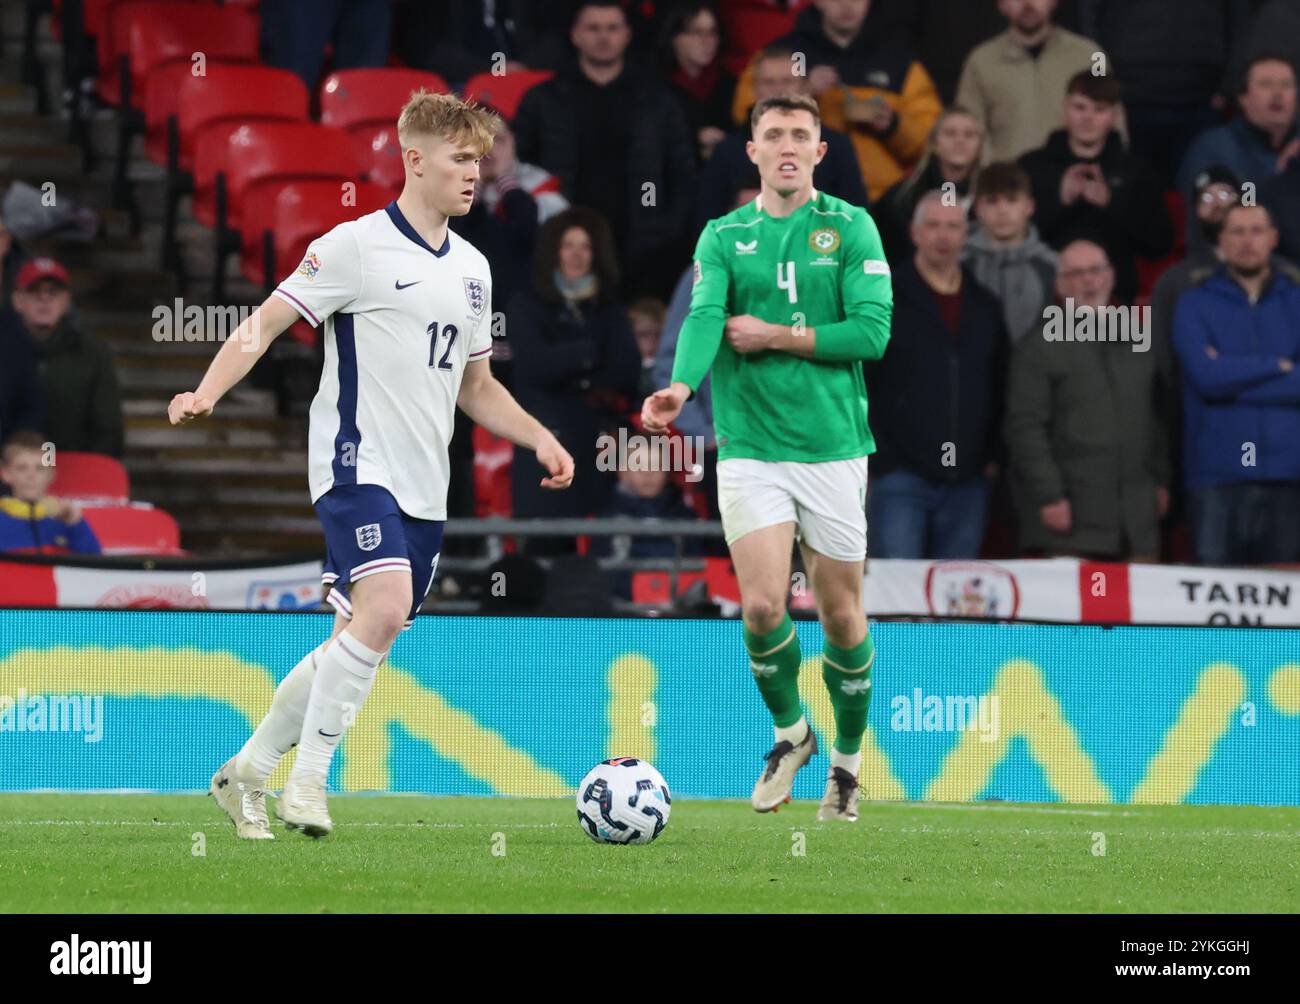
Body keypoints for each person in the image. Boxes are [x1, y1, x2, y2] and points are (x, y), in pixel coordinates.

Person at [169, 90, 576, 840]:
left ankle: (247, 772)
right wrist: (206, 389)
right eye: (460, 159)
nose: (474, 174)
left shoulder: (475, 269)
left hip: (426, 484)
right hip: (355, 462)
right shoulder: (353, 246)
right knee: (382, 610)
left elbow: (476, 388)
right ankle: (309, 786)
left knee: (361, 637)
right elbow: (265, 323)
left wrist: (539, 437)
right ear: (413, 160)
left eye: (480, 161)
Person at [642, 92, 893, 822]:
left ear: (820, 152)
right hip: (749, 446)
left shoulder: (851, 228)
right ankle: (791, 734)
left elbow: (872, 334)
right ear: (751, 152)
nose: (787, 146)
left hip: (833, 447)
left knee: (843, 618)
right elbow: (705, 316)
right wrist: (679, 386)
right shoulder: (723, 236)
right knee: (759, 605)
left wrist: (778, 336)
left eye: (801, 136)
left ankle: (845, 761)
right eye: (773, 135)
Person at [511, 1, 697, 298]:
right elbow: (517, 167)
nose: (603, 37)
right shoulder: (544, 99)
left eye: (612, 28)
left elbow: (683, 173)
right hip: (562, 243)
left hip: (642, 250)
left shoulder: (658, 100)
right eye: (593, 28)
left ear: (627, 34)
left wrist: (665, 230)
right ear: (575, 35)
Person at [1004, 240, 1171, 560]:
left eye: (1095, 271)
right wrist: (1049, 496)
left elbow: (1156, 419)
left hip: (1138, 522)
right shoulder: (1039, 347)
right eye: (1076, 274)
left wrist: (1161, 481)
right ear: (1060, 285)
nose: (1088, 281)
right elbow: (1025, 428)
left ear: (1110, 275)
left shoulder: (1138, 338)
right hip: (1073, 522)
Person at [867, 192, 1008, 559]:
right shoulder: (882, 299)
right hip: (898, 477)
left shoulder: (986, 306)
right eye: (932, 226)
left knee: (955, 608)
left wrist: (990, 457)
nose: (942, 237)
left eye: (952, 227)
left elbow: (1001, 386)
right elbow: (857, 381)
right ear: (914, 233)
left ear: (966, 234)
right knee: (896, 606)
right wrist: (880, 459)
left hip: (969, 481)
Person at [1172, 204, 1300, 565]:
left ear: (1273, 238)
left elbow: (1219, 378)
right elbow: (1207, 379)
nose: (1247, 241)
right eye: (1237, 232)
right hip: (1216, 478)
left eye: (1256, 231)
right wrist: (1279, 366)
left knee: (1284, 614)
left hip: (1288, 477)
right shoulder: (1193, 304)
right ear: (1222, 241)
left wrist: (1231, 373)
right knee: (1212, 611)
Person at [507, 207, 642, 538]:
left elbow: (626, 370)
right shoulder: (526, 303)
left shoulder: (609, 307)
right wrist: (587, 354)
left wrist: (566, 363)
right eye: (568, 245)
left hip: (596, 445)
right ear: (554, 251)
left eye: (585, 246)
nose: (577, 255)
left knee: (597, 544)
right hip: (542, 442)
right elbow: (532, 366)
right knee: (544, 542)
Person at [730, 0, 943, 201]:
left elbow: (932, 138)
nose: (847, 5)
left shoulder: (897, 60)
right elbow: (744, 116)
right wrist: (803, 92)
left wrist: (893, 125)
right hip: (800, 191)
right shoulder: (784, 53)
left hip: (884, 198)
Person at [1019, 70, 1173, 302]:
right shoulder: (1032, 166)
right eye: (1080, 107)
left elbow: (1159, 245)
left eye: (1099, 109)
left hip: (1116, 300)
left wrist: (1112, 204)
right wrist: (1059, 202)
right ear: (1065, 108)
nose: (1088, 118)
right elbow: (1010, 239)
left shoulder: (1137, 169)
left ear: (1114, 115)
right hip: (1042, 298)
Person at [694, 45, 867, 229]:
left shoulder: (835, 146)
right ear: (755, 89)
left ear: (803, 86)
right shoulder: (727, 151)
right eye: (769, 82)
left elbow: (856, 220)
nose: (778, 90)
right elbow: (706, 225)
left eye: (787, 81)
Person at [956, 0, 1116, 163]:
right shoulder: (980, 61)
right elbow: (967, 127)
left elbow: (1115, 122)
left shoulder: (1091, 55)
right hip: (1007, 180)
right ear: (1001, 5)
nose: (1028, 3)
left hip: (1076, 179)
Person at [1177, 54, 1299, 252]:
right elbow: (1205, 226)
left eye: (1286, 85)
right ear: (1243, 98)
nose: (1278, 94)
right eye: (1266, 84)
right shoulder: (1213, 148)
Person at [9, 257, 124, 457]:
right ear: (17, 300)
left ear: (66, 301)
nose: (44, 299)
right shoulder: (4, 349)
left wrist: (89, 471)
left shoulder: (92, 352)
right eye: (35, 291)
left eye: (53, 292)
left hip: (75, 468)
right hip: (8, 472)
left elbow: (108, 428)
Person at [962, 161, 1059, 343]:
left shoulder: (1050, 265)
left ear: (1029, 207)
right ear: (978, 209)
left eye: (1011, 200)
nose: (1002, 211)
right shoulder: (959, 264)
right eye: (992, 201)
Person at [874, 106, 985, 263]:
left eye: (969, 135)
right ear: (934, 143)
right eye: (950, 133)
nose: (960, 141)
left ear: (980, 145)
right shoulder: (901, 197)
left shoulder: (991, 195)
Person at [0, 431, 101, 555]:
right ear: (5, 474)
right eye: (22, 468)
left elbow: (95, 565)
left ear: (51, 474)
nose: (31, 475)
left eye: (40, 468)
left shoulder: (66, 519)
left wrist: (75, 523)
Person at [660, 1, 737, 164]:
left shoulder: (729, 84)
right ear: (675, 38)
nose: (707, 41)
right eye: (696, 32)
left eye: (712, 32)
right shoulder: (656, 86)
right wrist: (693, 138)